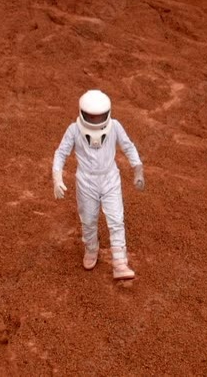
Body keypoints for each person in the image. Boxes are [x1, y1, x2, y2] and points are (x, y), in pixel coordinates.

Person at [52, 89, 145, 280]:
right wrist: (57, 178)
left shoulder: (115, 127)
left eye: (100, 117)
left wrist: (138, 169)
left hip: (110, 178)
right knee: (88, 219)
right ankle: (91, 249)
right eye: (92, 117)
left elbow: (128, 146)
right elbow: (61, 153)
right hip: (86, 180)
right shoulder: (74, 130)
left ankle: (120, 262)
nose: (96, 121)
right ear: (82, 113)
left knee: (116, 219)